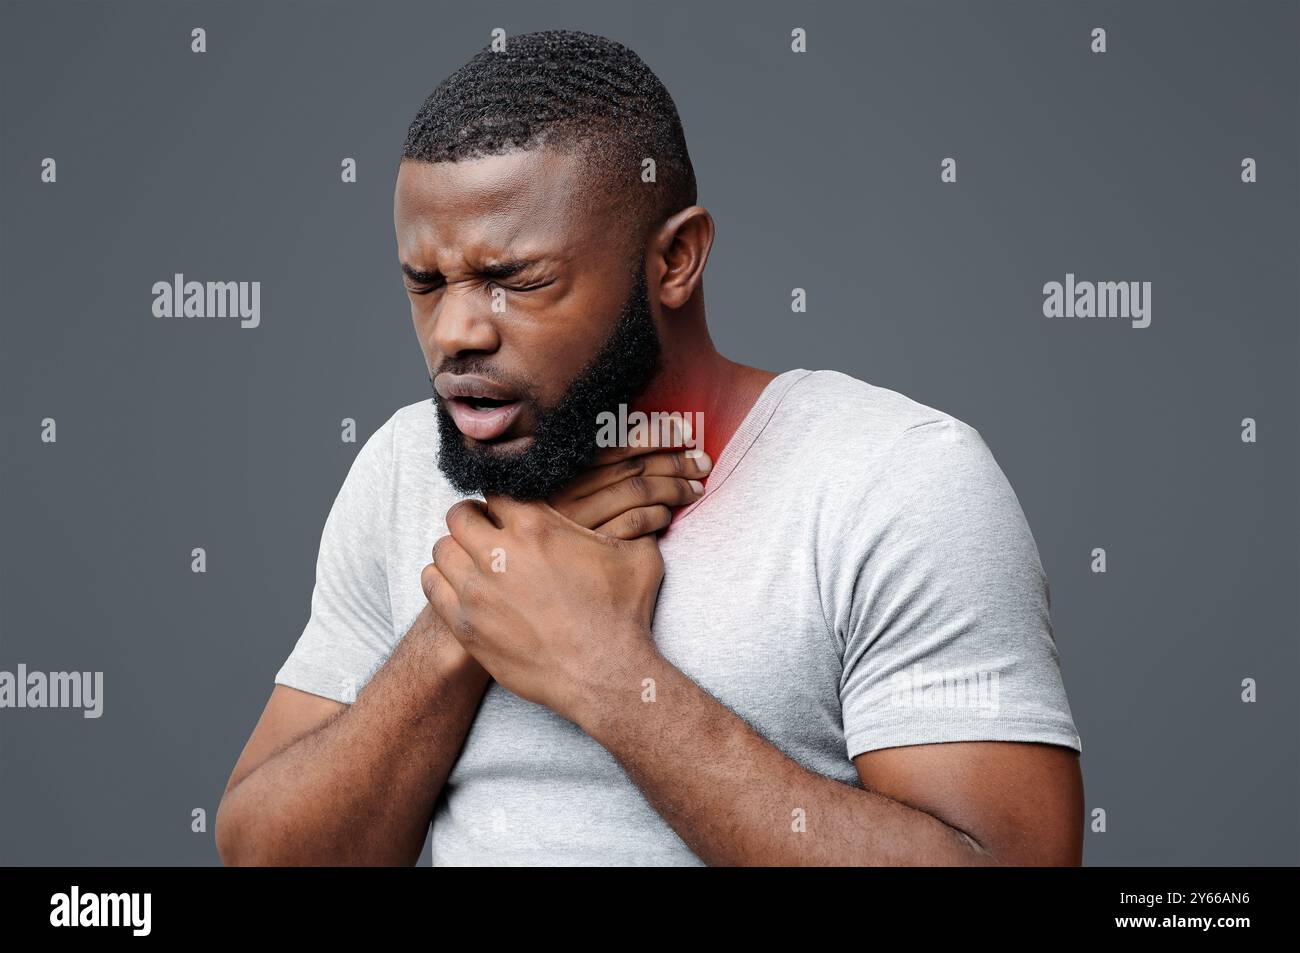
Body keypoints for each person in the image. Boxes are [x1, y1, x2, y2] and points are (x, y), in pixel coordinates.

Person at [215, 29, 1083, 866]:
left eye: (515, 279)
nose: (456, 333)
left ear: (675, 259)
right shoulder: (403, 466)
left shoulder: (894, 478)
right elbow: (264, 854)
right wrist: (460, 625)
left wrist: (605, 673)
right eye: (425, 283)